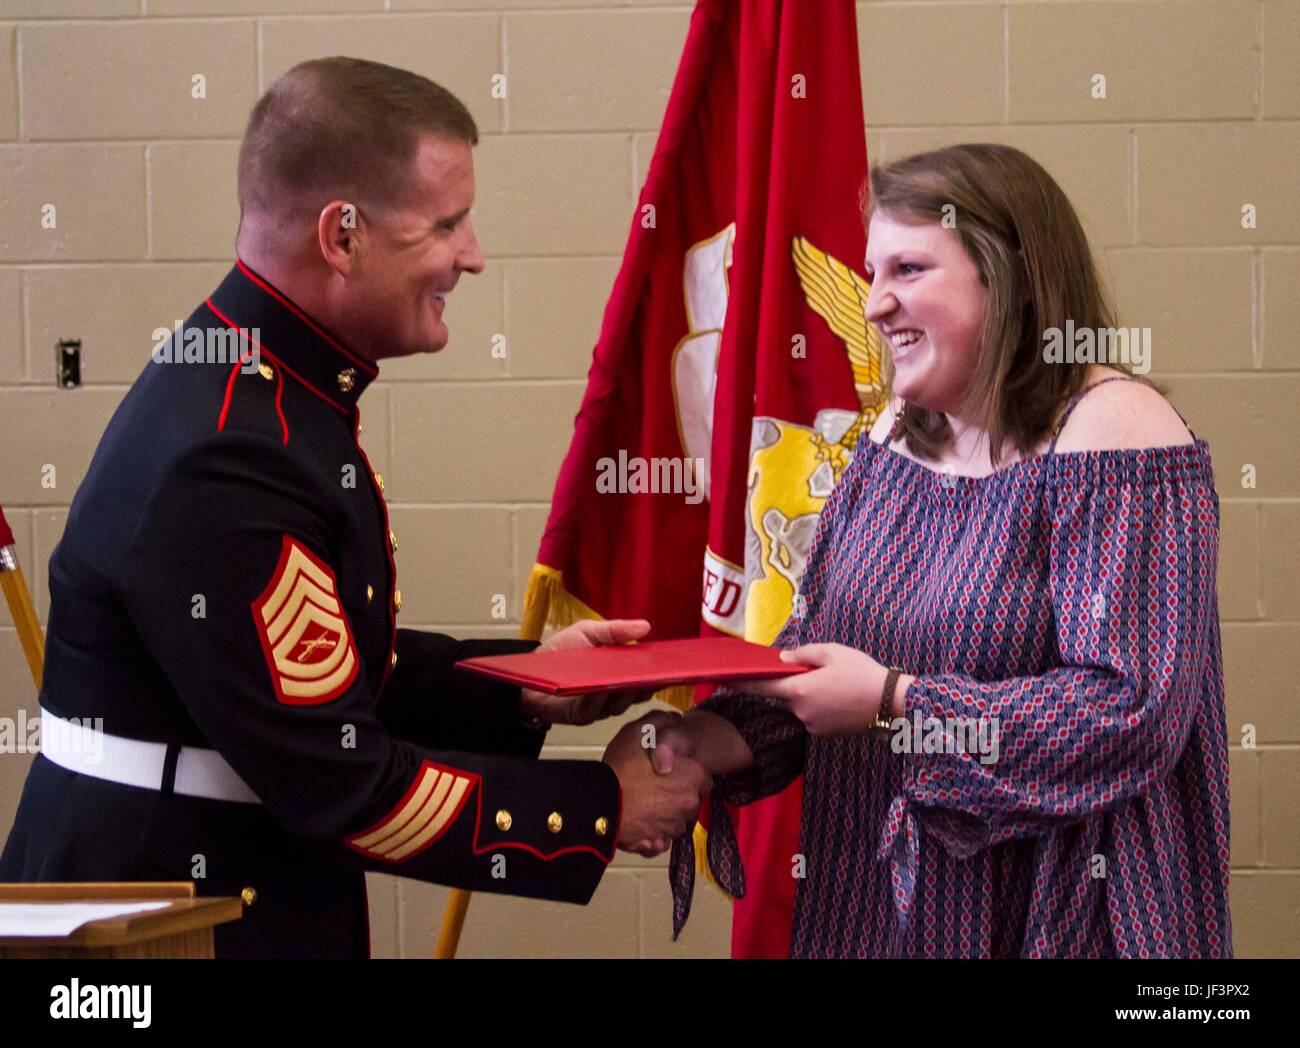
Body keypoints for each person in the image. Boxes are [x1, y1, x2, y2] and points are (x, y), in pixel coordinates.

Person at [0, 56, 710, 958]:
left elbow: (309, 670)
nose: (474, 255)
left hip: (220, 883)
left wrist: (525, 690)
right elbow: (342, 783)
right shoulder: (228, 456)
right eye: (446, 224)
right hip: (174, 919)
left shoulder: (260, 382)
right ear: (342, 236)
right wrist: (600, 809)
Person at [620, 143, 1233, 958]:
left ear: (1007, 277)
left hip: (1057, 922)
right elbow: (820, 672)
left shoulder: (1116, 431)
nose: (873, 307)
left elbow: (1129, 716)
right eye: (872, 274)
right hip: (869, 914)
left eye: (908, 270)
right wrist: (704, 742)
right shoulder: (889, 440)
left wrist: (895, 705)